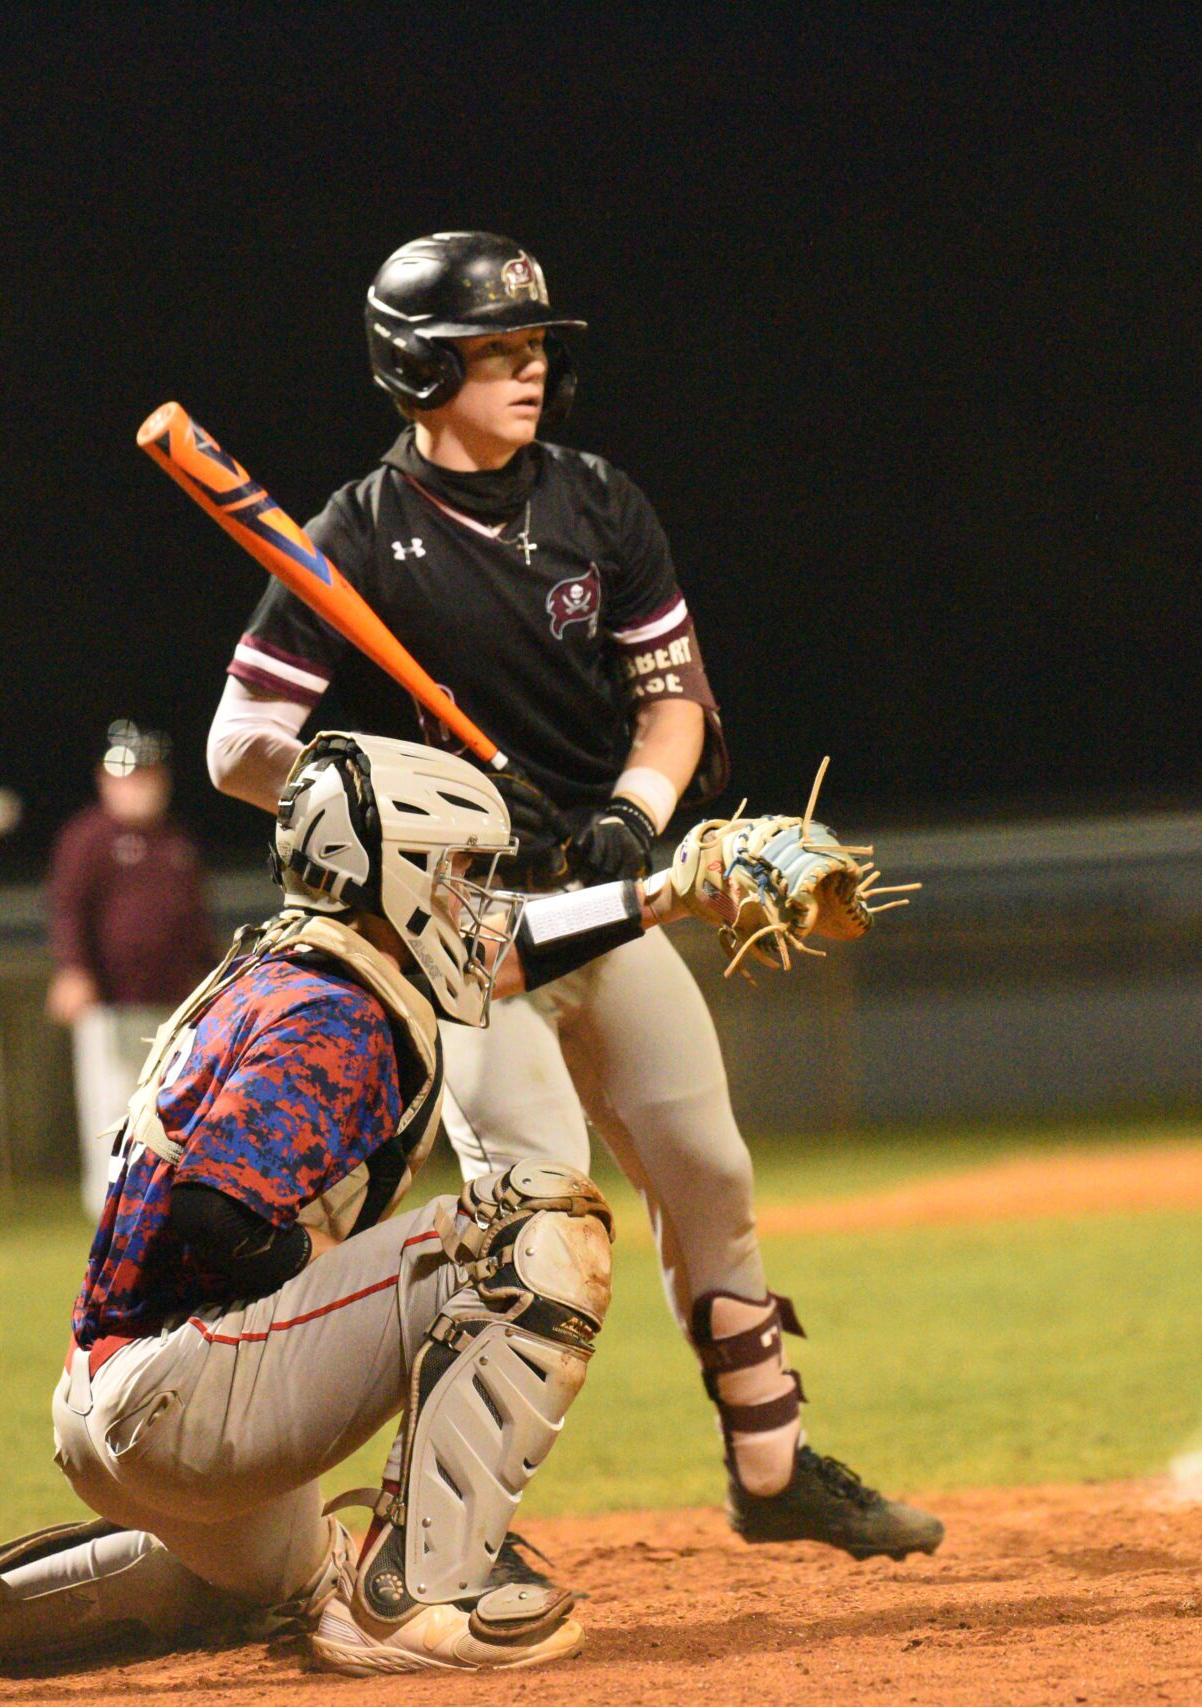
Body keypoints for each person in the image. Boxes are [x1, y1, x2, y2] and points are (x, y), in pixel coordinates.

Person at [0, 734, 861, 1678]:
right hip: (184, 1399)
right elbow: (211, 1221)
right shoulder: (334, 1013)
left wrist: (667, 890)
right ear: (395, 875)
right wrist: (328, 1305)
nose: (470, 893)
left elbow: (502, 949)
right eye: (453, 870)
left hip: (117, 1412)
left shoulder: (312, 955)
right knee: (532, 1222)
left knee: (271, 1587)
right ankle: (418, 1596)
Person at [204, 231, 942, 1559]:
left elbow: (675, 705)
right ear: (421, 366)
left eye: (536, 346)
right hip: (463, 942)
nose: (532, 370)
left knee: (709, 1171)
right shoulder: (353, 537)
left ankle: (771, 1469)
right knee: (538, 1221)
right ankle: (439, 1528)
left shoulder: (599, 505)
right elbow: (239, 746)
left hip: (601, 902)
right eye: (500, 350)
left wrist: (631, 814)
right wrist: (389, 799)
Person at [45, 721, 222, 1215]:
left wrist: (216, 982)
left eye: (146, 774)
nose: (137, 785)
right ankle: (110, 1210)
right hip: (112, 1003)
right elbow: (67, 910)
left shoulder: (176, 843)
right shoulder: (89, 836)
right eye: (126, 774)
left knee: (172, 1109)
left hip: (173, 1006)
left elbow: (195, 925)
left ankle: (165, 1205)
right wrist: (73, 970)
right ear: (105, 779)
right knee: (112, 1108)